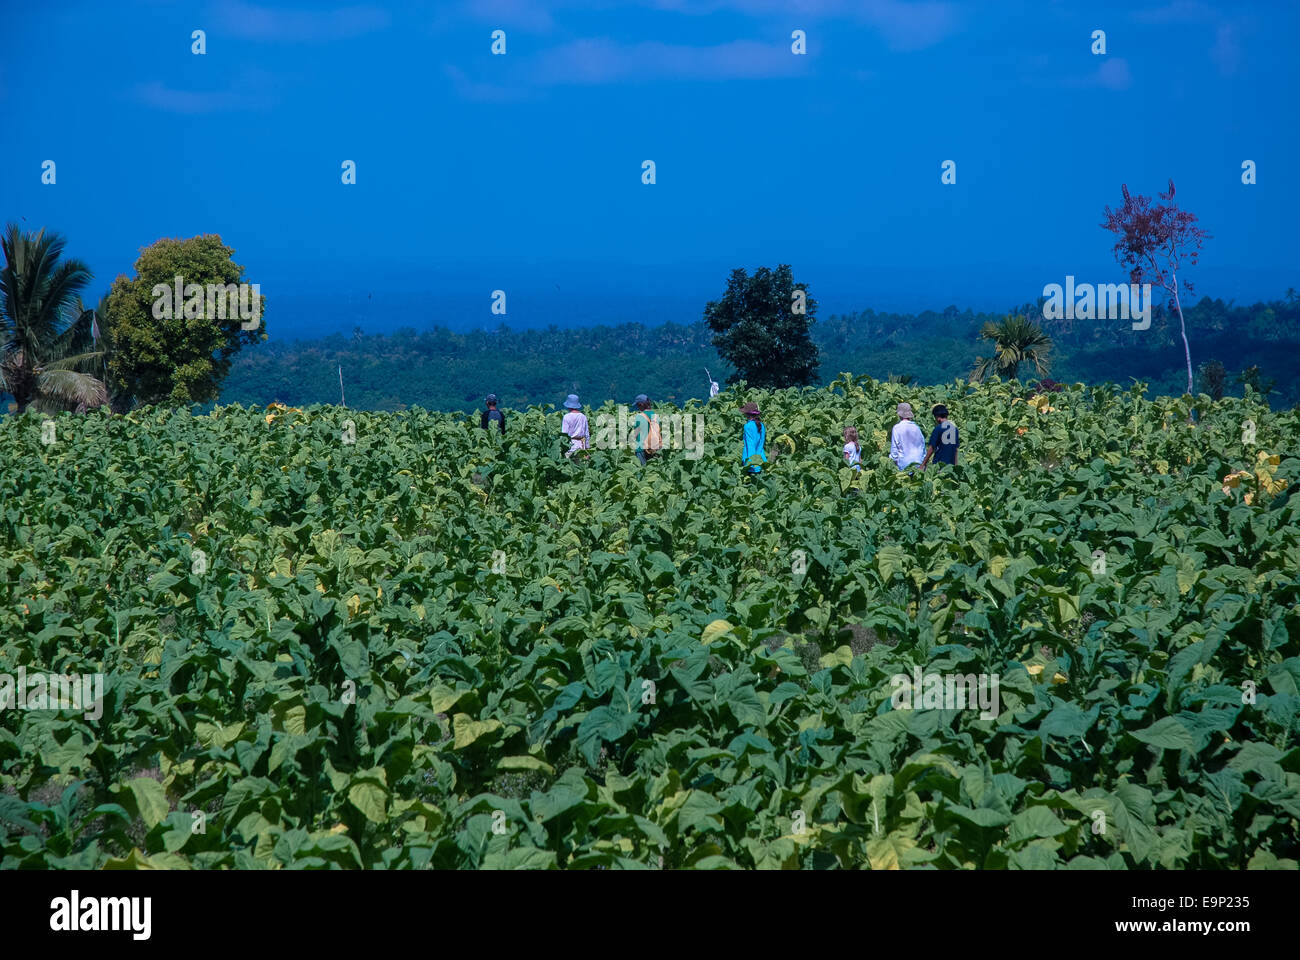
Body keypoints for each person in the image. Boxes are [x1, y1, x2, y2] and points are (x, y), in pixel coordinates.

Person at [921, 403, 959, 471]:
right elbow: (956, 449)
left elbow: (931, 448)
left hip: (939, 464)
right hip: (950, 465)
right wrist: (956, 465)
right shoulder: (954, 429)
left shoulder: (938, 429)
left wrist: (923, 464)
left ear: (938, 417)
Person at [890, 402, 926, 471]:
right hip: (918, 462)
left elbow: (894, 450)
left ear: (899, 415)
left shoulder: (897, 428)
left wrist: (893, 462)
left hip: (904, 464)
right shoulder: (916, 427)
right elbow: (923, 446)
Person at [631, 394, 660, 466]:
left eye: (638, 405)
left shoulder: (639, 417)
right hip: (654, 448)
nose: (638, 407)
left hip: (641, 448)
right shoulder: (656, 416)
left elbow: (635, 434)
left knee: (642, 472)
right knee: (653, 472)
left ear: (641, 404)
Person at [740, 401, 767, 474]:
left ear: (747, 414)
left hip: (751, 463)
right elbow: (761, 444)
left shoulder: (747, 426)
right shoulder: (762, 425)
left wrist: (750, 463)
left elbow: (750, 445)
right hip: (762, 460)